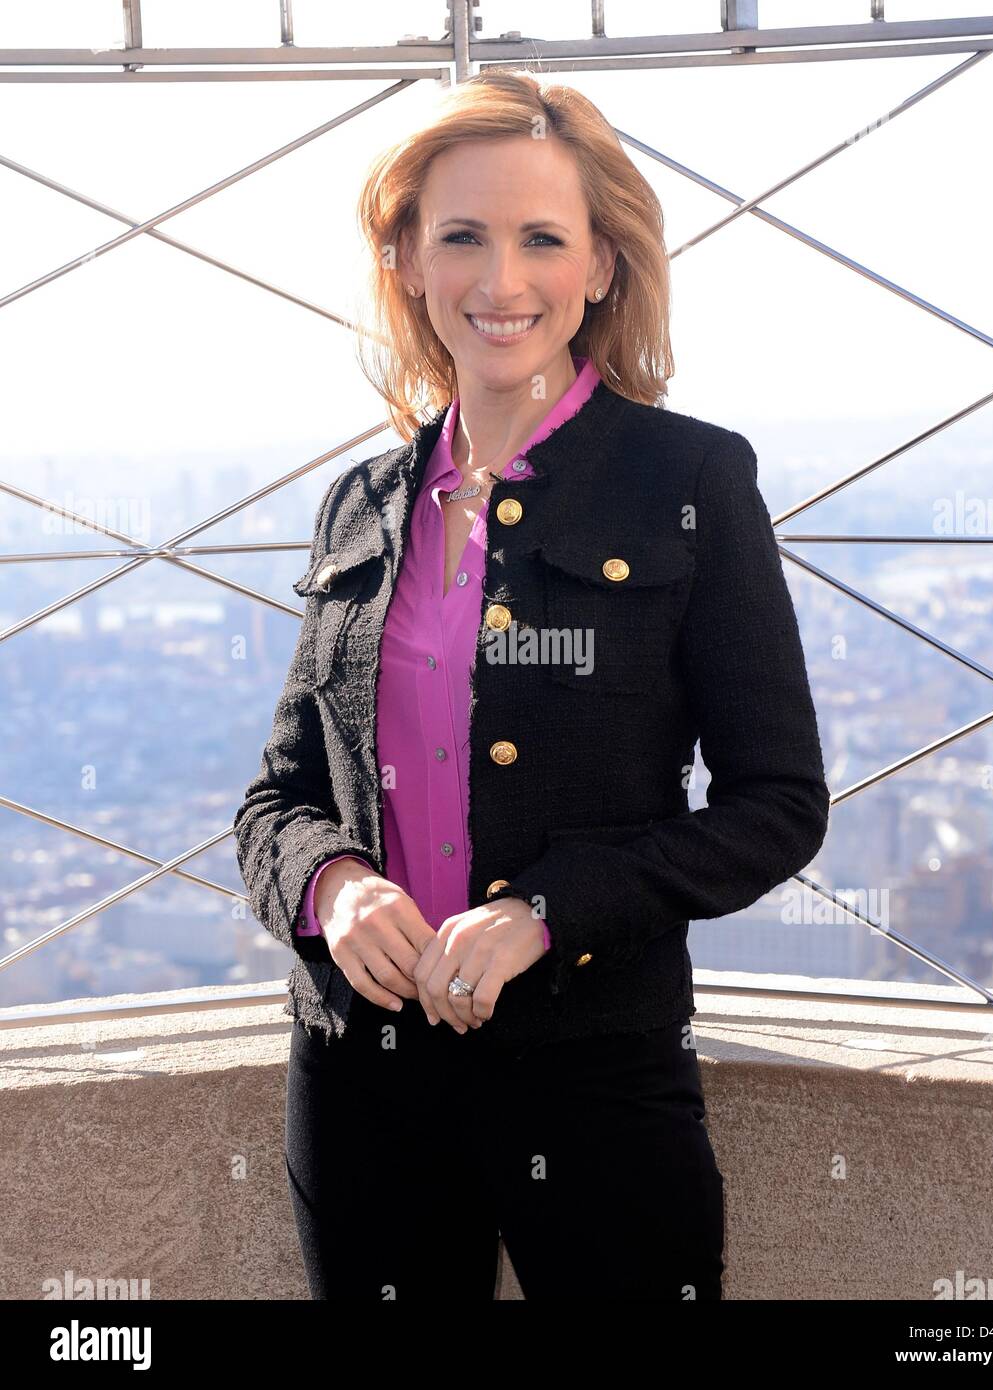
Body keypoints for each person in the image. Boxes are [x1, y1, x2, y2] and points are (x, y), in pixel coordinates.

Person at [233, 69, 830, 1301]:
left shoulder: (694, 478)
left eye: (542, 239)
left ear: (602, 265)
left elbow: (777, 803)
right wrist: (333, 888)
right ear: (405, 258)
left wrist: (545, 909)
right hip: (361, 1076)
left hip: (593, 1073)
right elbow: (275, 801)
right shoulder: (361, 507)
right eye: (461, 236)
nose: (501, 283)